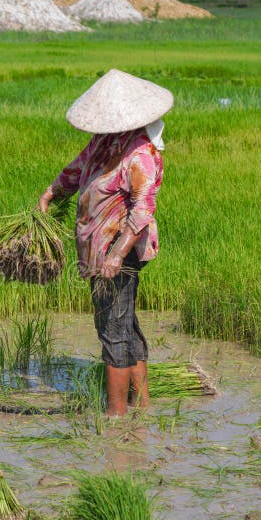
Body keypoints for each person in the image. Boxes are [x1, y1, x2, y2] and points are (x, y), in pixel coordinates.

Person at [37, 69, 172, 418]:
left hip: (120, 253)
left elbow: (142, 211)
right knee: (124, 325)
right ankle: (140, 405)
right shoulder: (104, 142)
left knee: (113, 328)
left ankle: (115, 416)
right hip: (99, 250)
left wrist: (116, 255)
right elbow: (78, 168)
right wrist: (53, 192)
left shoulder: (140, 154)